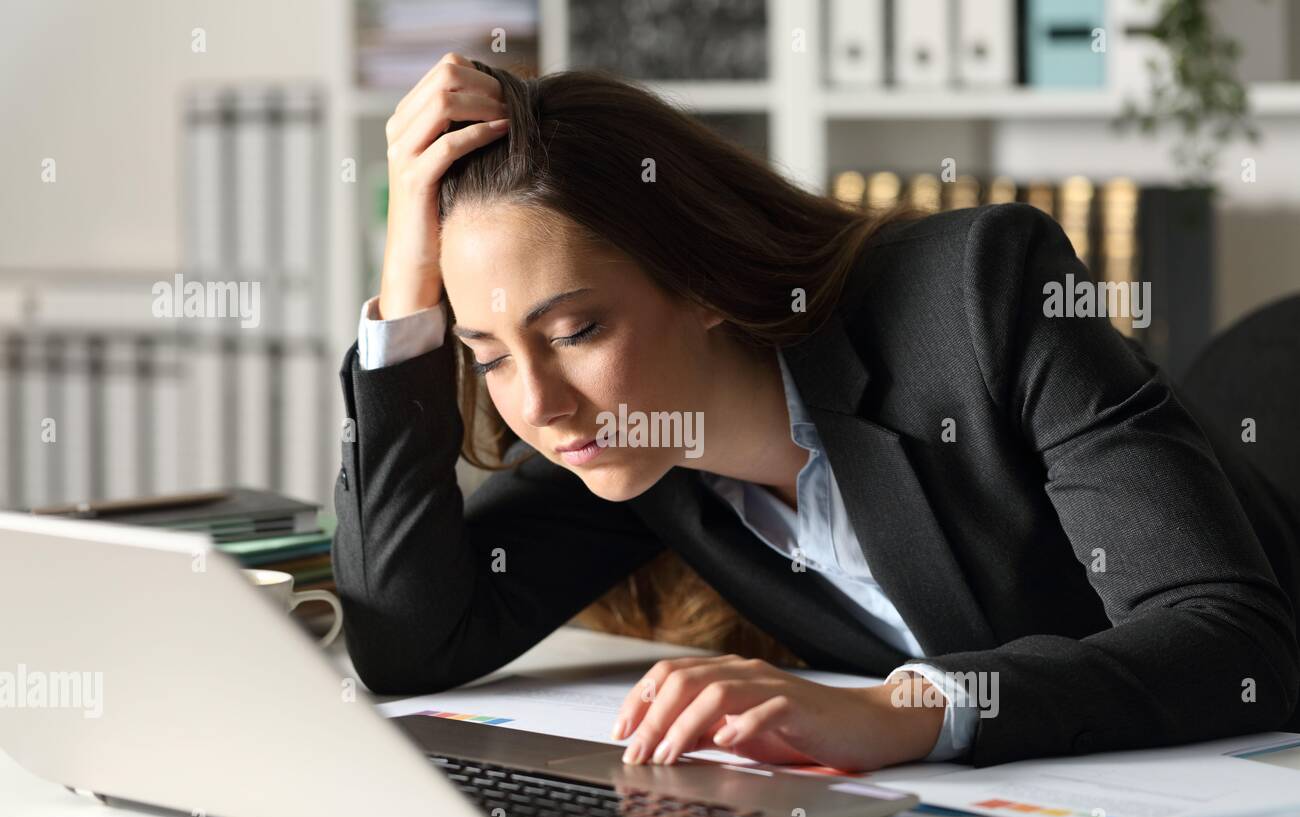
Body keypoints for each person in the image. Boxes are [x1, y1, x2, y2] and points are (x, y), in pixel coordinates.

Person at [332, 53, 1300, 772]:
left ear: (701, 278)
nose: (538, 405)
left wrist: (902, 710)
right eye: (488, 354)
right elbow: (409, 639)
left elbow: (1229, 637)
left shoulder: (980, 296)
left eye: (576, 329)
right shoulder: (636, 452)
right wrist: (406, 287)